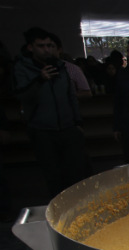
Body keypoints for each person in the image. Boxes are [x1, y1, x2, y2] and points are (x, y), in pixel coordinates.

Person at [12, 27, 87, 197]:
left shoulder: (60, 66)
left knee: (76, 173)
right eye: (41, 46)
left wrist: (78, 123)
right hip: (42, 130)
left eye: (49, 45)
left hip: (68, 128)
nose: (47, 49)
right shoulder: (22, 68)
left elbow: (70, 96)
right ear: (31, 47)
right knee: (53, 175)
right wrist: (40, 79)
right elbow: (22, 96)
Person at [49, 33, 92, 98]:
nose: (47, 50)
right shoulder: (38, 68)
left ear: (59, 49)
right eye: (43, 46)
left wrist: (65, 97)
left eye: (51, 46)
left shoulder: (72, 68)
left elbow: (87, 93)